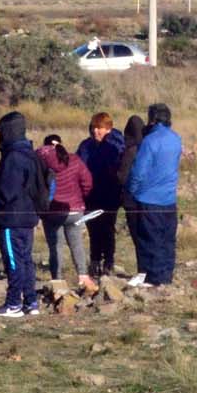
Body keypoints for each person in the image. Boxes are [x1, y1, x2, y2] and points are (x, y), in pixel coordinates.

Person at [0, 110, 49, 318]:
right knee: (26, 259)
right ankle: (31, 302)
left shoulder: (13, 157)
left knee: (14, 260)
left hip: (12, 217)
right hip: (28, 216)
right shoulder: (31, 154)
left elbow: (7, 190)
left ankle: (13, 304)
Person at [124, 102, 183, 287]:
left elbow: (139, 171)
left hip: (149, 198)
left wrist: (131, 190)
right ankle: (166, 276)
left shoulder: (150, 141)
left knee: (150, 239)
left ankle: (152, 278)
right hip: (169, 198)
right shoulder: (176, 138)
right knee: (167, 240)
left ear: (152, 119)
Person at [37, 133, 97, 293]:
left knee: (55, 246)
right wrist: (81, 198)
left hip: (51, 211)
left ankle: (57, 280)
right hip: (74, 210)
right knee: (77, 244)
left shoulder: (39, 161)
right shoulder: (74, 160)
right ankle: (83, 277)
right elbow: (87, 182)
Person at [77, 111, 125, 280]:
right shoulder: (85, 146)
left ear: (109, 129)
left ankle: (109, 262)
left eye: (100, 128)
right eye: (93, 128)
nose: (96, 131)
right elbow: (78, 165)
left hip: (110, 193)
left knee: (107, 228)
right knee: (93, 229)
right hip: (90, 195)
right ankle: (95, 261)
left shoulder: (115, 145)